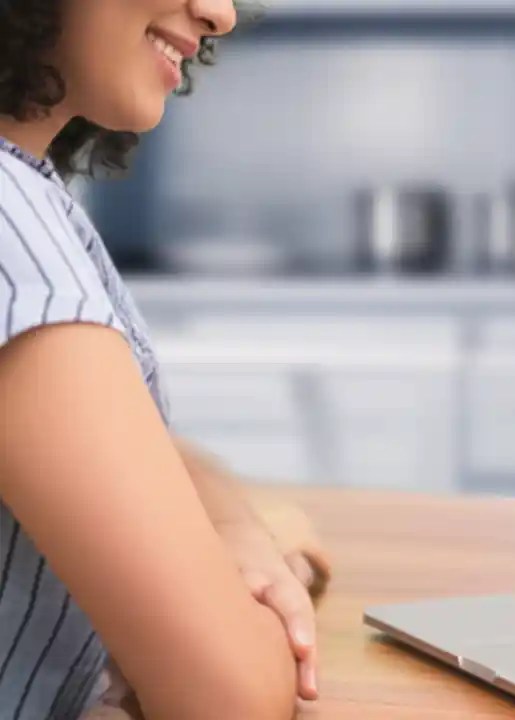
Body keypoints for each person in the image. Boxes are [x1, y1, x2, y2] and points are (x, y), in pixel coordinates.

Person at [0, 1, 326, 718]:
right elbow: (229, 698)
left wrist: (235, 533)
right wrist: (245, 575)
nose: (219, 13)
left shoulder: (27, 196)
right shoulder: (10, 226)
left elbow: (158, 451)